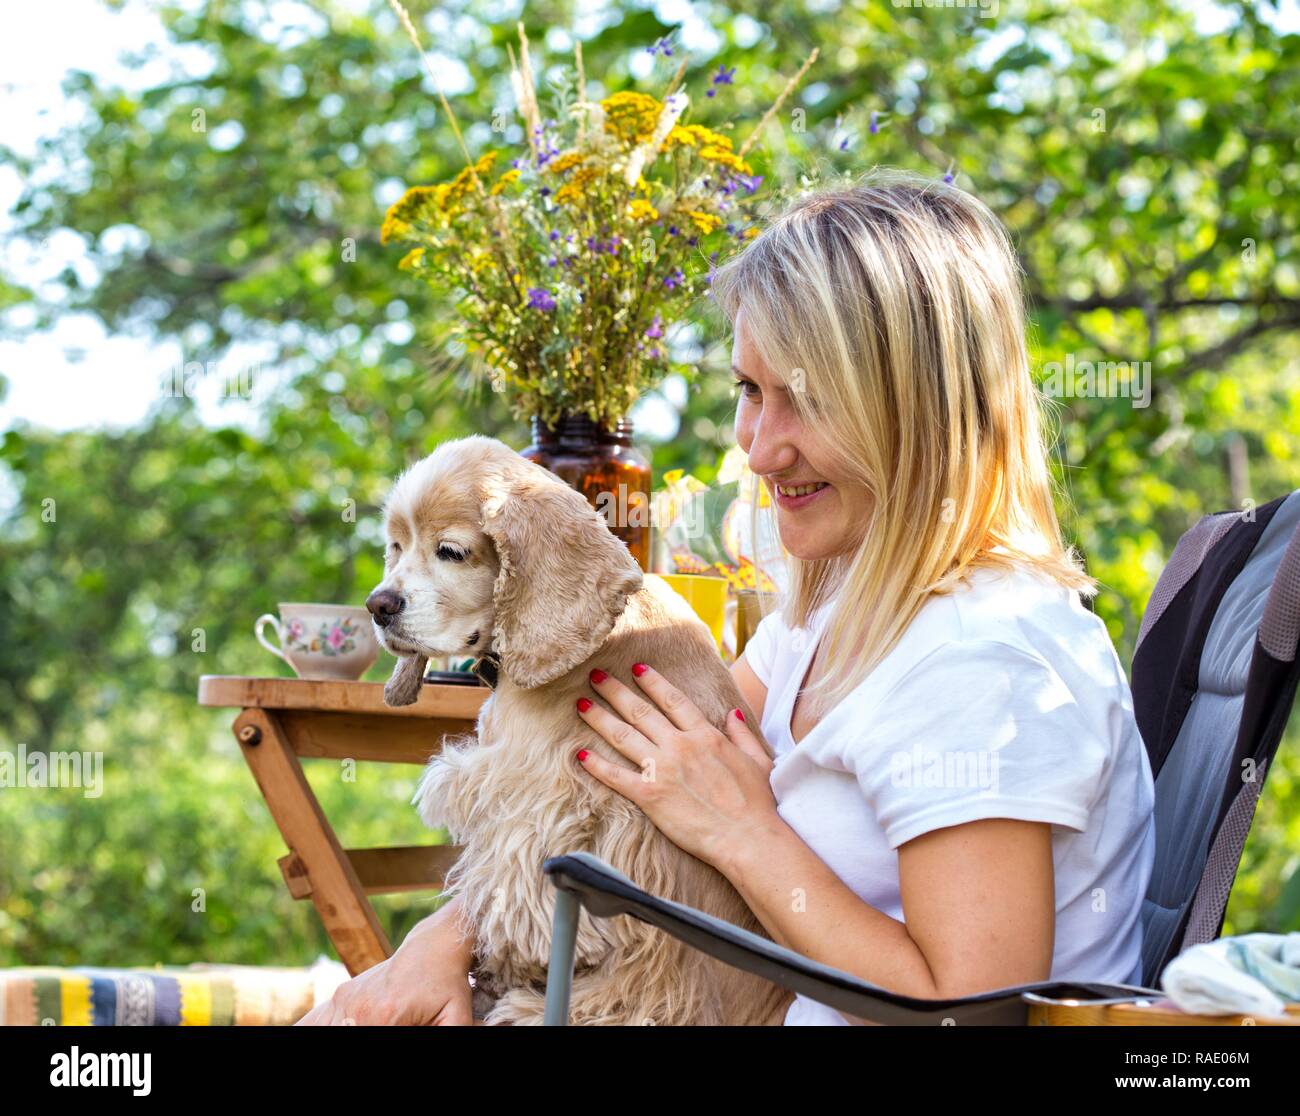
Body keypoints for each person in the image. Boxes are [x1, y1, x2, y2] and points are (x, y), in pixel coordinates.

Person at [299, 168, 1156, 1027]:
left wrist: (747, 834)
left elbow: (967, 1015)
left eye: (809, 400)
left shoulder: (985, 658)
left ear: (925, 411)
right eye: (750, 390)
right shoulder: (830, 617)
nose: (759, 448)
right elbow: (630, 776)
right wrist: (441, 942)